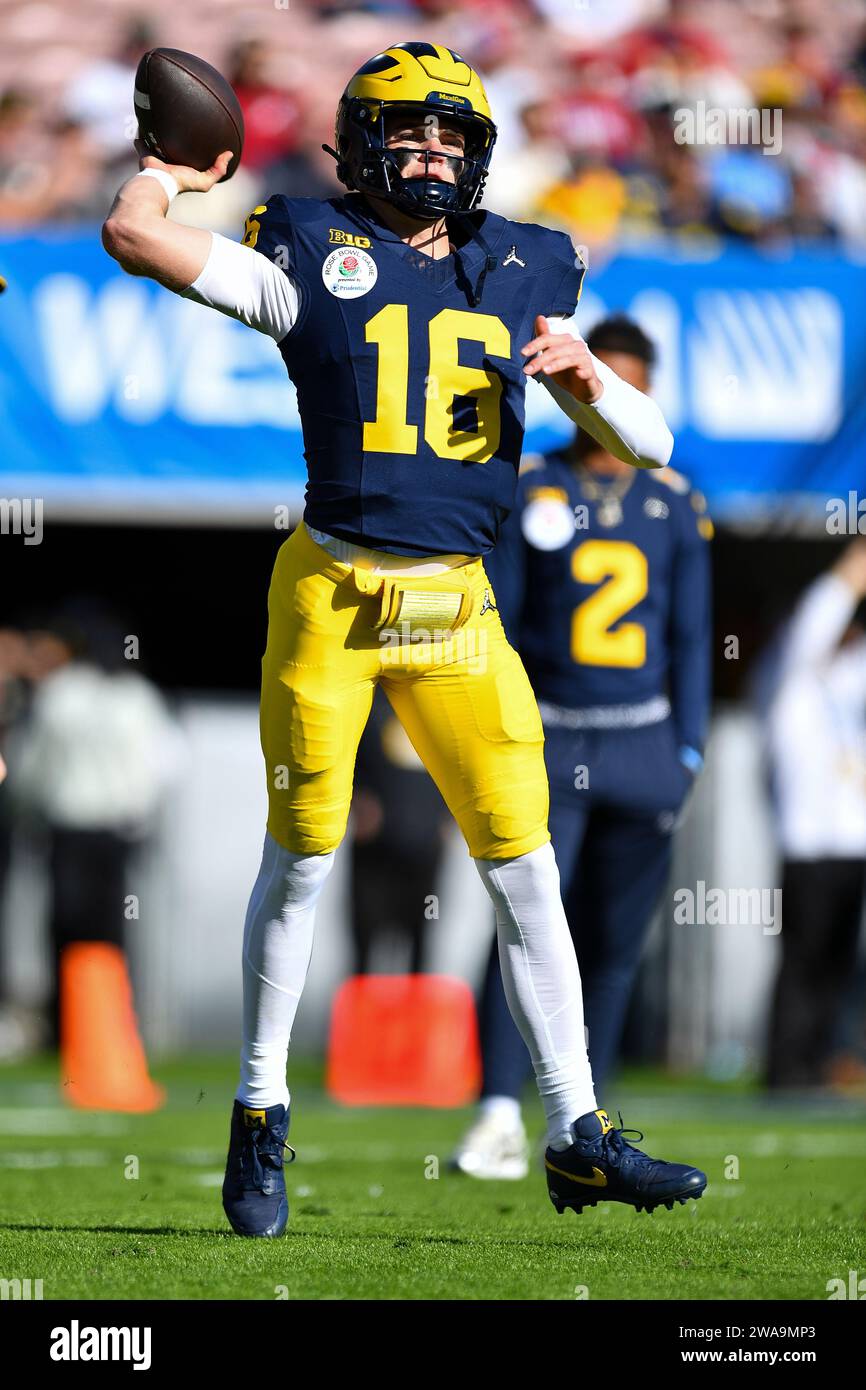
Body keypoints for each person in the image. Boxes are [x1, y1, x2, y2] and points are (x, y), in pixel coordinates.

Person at [102, 40, 706, 1238]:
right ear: (361, 140)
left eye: (449, 138)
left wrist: (584, 376)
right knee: (306, 856)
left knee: (524, 865)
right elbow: (134, 239)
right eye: (408, 134)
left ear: (477, 155)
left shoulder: (526, 263)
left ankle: (576, 1130)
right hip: (332, 592)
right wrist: (168, 173)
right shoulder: (302, 247)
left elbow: (650, 445)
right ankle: (261, 1109)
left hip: (461, 609)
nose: (430, 155)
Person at [452, 315, 712, 1178]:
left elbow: (689, 633)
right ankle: (496, 1108)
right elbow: (507, 621)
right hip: (551, 735)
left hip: (642, 742)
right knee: (526, 925)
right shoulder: (533, 486)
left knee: (610, 940)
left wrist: (689, 753)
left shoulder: (673, 499)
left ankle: (583, 1122)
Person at [761, 540, 866, 1090]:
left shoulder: (849, 677)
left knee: (836, 965)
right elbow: (814, 627)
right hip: (807, 842)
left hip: (853, 842)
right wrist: (847, 577)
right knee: (802, 963)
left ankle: (821, 1061)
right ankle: (787, 1070)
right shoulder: (791, 682)